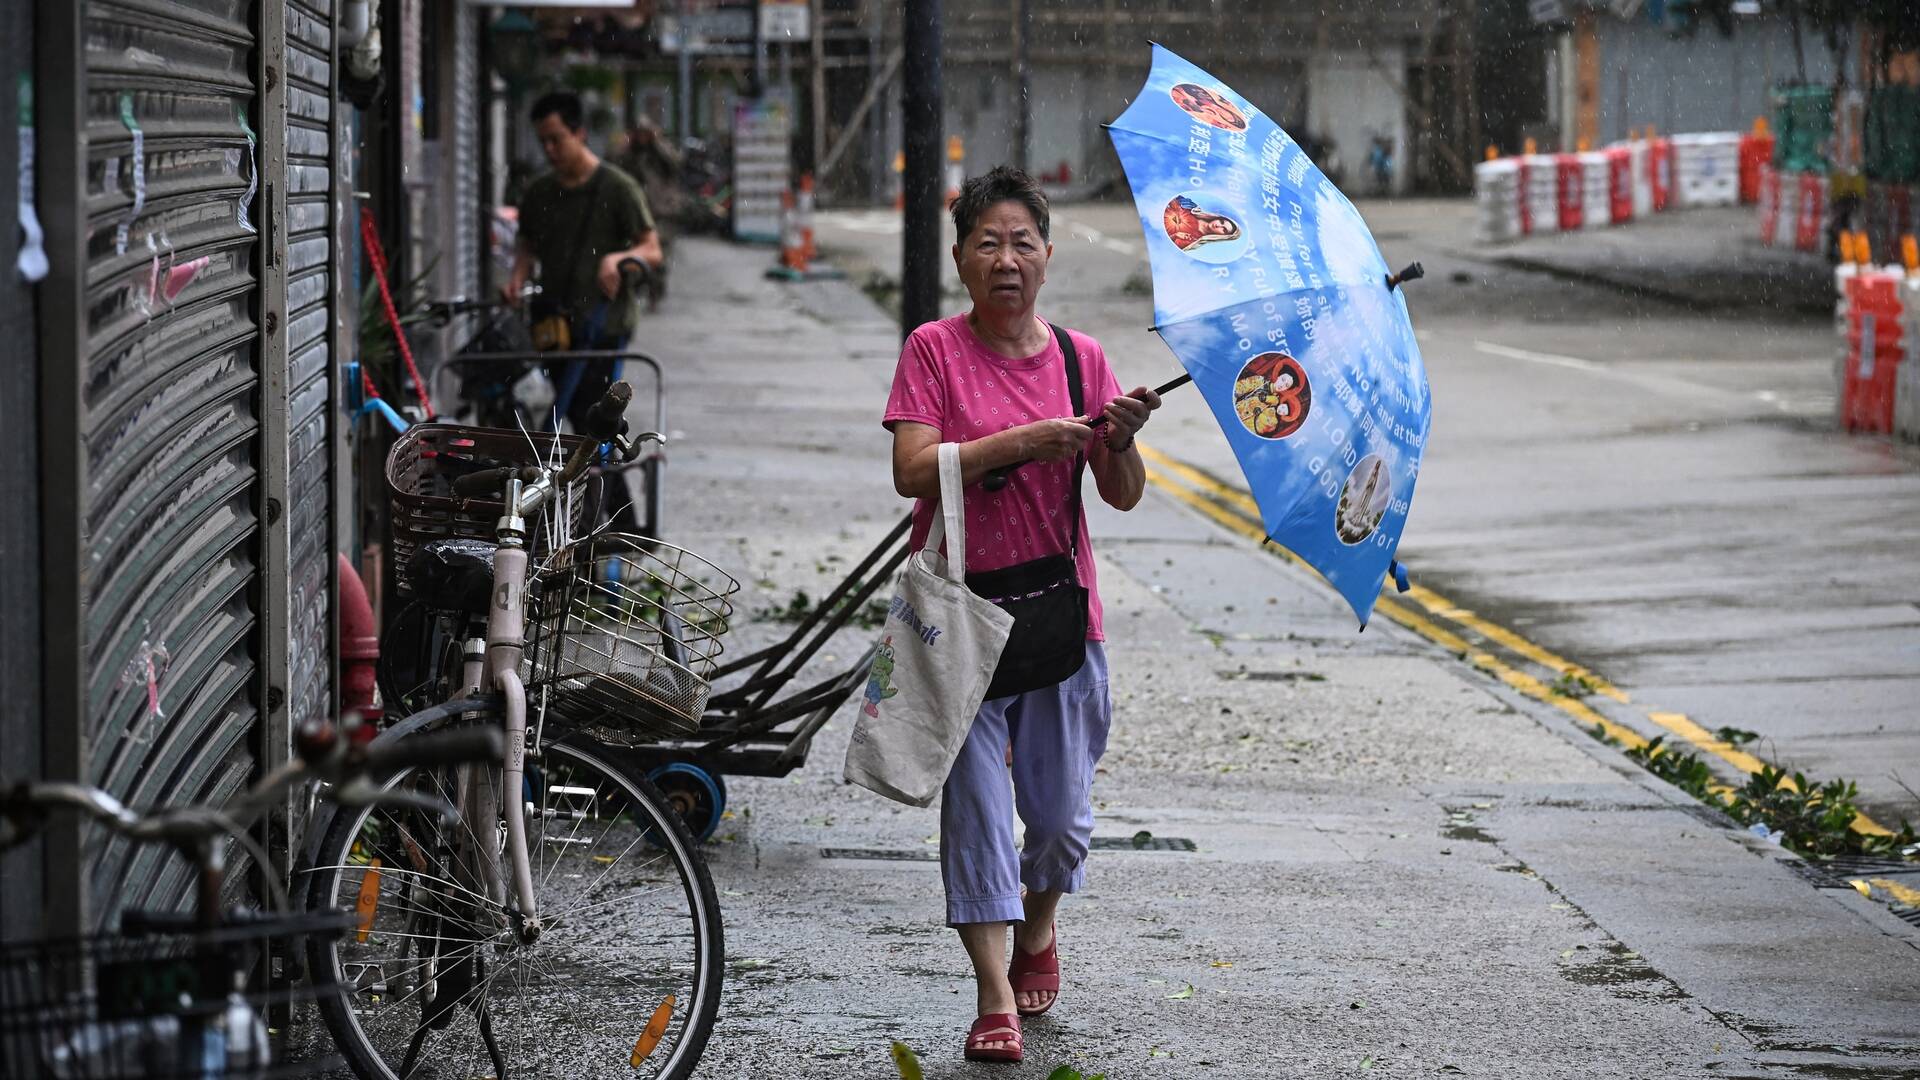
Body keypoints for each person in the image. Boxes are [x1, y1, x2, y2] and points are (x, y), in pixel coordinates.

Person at [882, 166, 1162, 1065]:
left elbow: (1121, 494)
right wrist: (1022, 441)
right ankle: (993, 991)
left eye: (1022, 243)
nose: (1006, 260)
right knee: (974, 808)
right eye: (988, 244)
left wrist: (1119, 442)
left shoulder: (1082, 361)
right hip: (960, 619)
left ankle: (1039, 925)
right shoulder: (934, 349)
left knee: (1063, 820)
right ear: (961, 258)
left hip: (1060, 617)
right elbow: (913, 470)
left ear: (1047, 256)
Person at [504, 90, 663, 432]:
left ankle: (603, 467)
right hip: (554, 325)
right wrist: (517, 277)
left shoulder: (618, 188)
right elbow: (527, 244)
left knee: (592, 417)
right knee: (553, 414)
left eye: (557, 140)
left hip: (604, 324)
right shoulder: (539, 192)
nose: (549, 149)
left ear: (579, 133)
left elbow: (651, 249)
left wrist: (618, 259)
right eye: (543, 142)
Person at [1163, 194, 1242, 250]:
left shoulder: (1192, 240)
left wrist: (1175, 235)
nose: (1218, 225)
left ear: (1222, 236)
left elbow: (1166, 246)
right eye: (1221, 222)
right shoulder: (1193, 209)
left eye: (1224, 230)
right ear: (1219, 218)